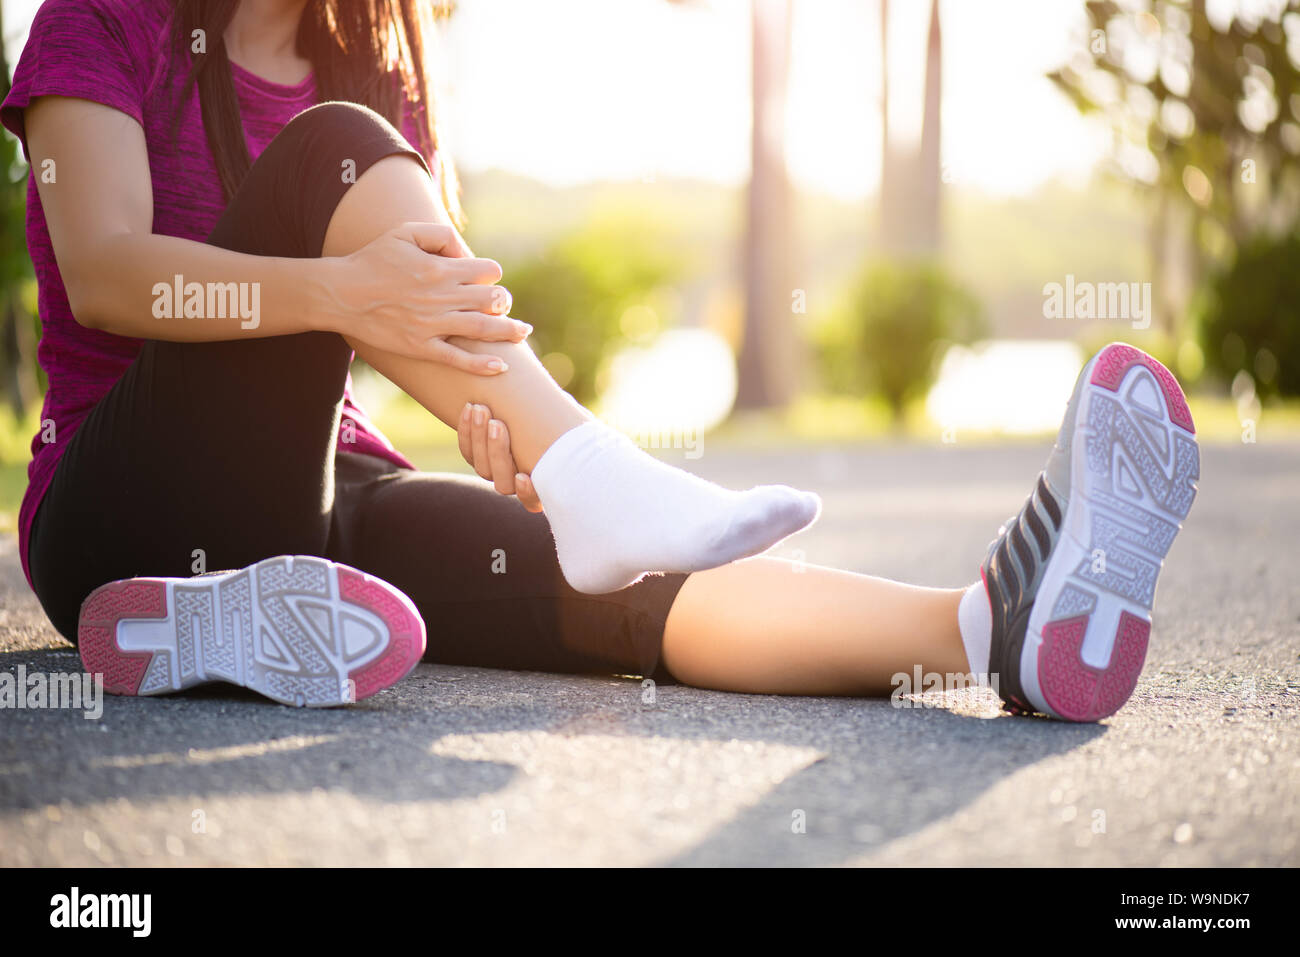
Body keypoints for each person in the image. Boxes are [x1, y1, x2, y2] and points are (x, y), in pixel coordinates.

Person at [2, 0, 1199, 722]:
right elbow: (107, 267)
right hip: (114, 500)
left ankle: (985, 633)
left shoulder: (370, 64)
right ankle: (588, 467)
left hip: (312, 504)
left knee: (612, 587)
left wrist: (481, 416)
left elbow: (389, 325)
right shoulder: (110, 18)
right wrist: (346, 292)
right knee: (333, 155)